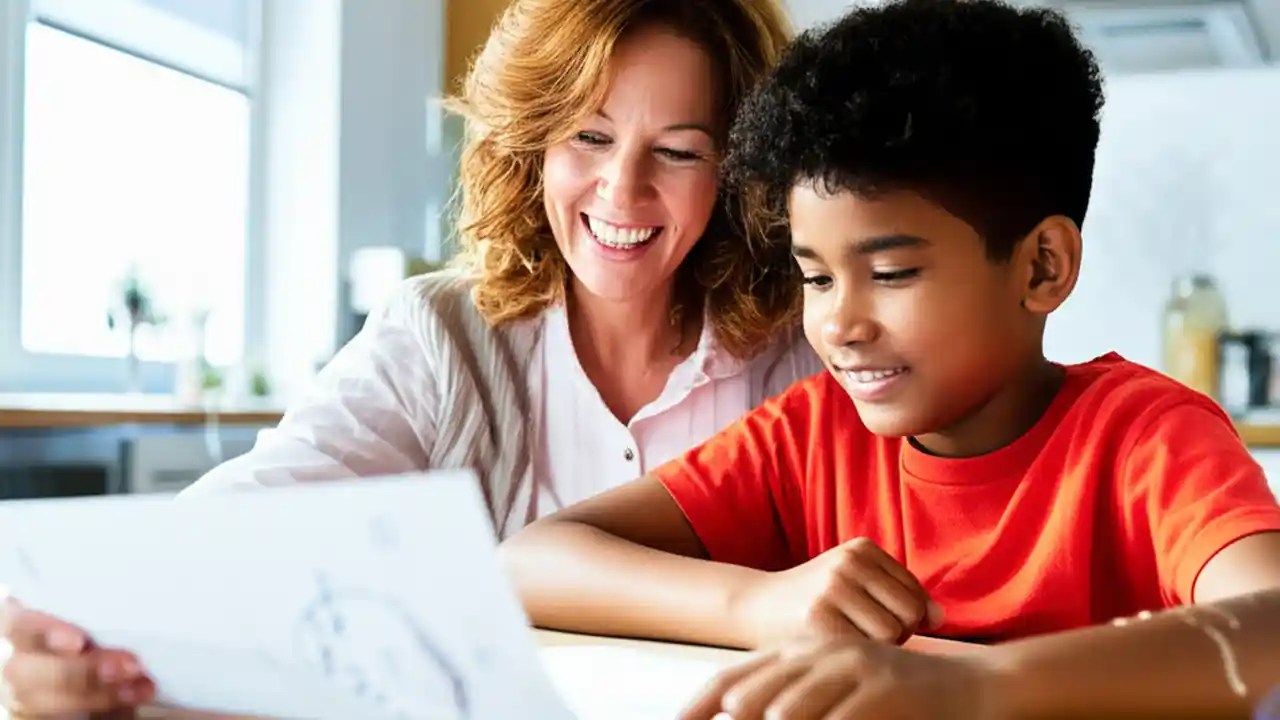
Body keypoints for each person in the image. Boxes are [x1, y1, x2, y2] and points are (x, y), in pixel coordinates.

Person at [0, 0, 820, 714]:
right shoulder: (441, 335)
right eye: (588, 136)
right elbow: (238, 522)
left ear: (736, 174)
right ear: (531, 141)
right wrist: (67, 637)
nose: (622, 189)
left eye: (678, 151)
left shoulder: (801, 352)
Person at [502, 0, 1280, 717]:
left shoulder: (1144, 440)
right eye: (816, 277)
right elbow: (529, 562)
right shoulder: (811, 439)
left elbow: (1271, 625)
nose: (840, 321)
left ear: (1042, 266)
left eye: (892, 274)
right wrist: (756, 605)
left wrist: (979, 687)